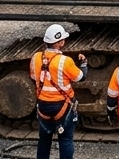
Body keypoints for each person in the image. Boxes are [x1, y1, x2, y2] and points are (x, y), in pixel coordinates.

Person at [32, 24, 87, 159]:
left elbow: (34, 77)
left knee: (44, 139)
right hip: (63, 105)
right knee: (66, 139)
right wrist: (84, 63)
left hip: (43, 105)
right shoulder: (65, 61)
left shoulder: (36, 58)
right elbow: (81, 77)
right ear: (61, 42)